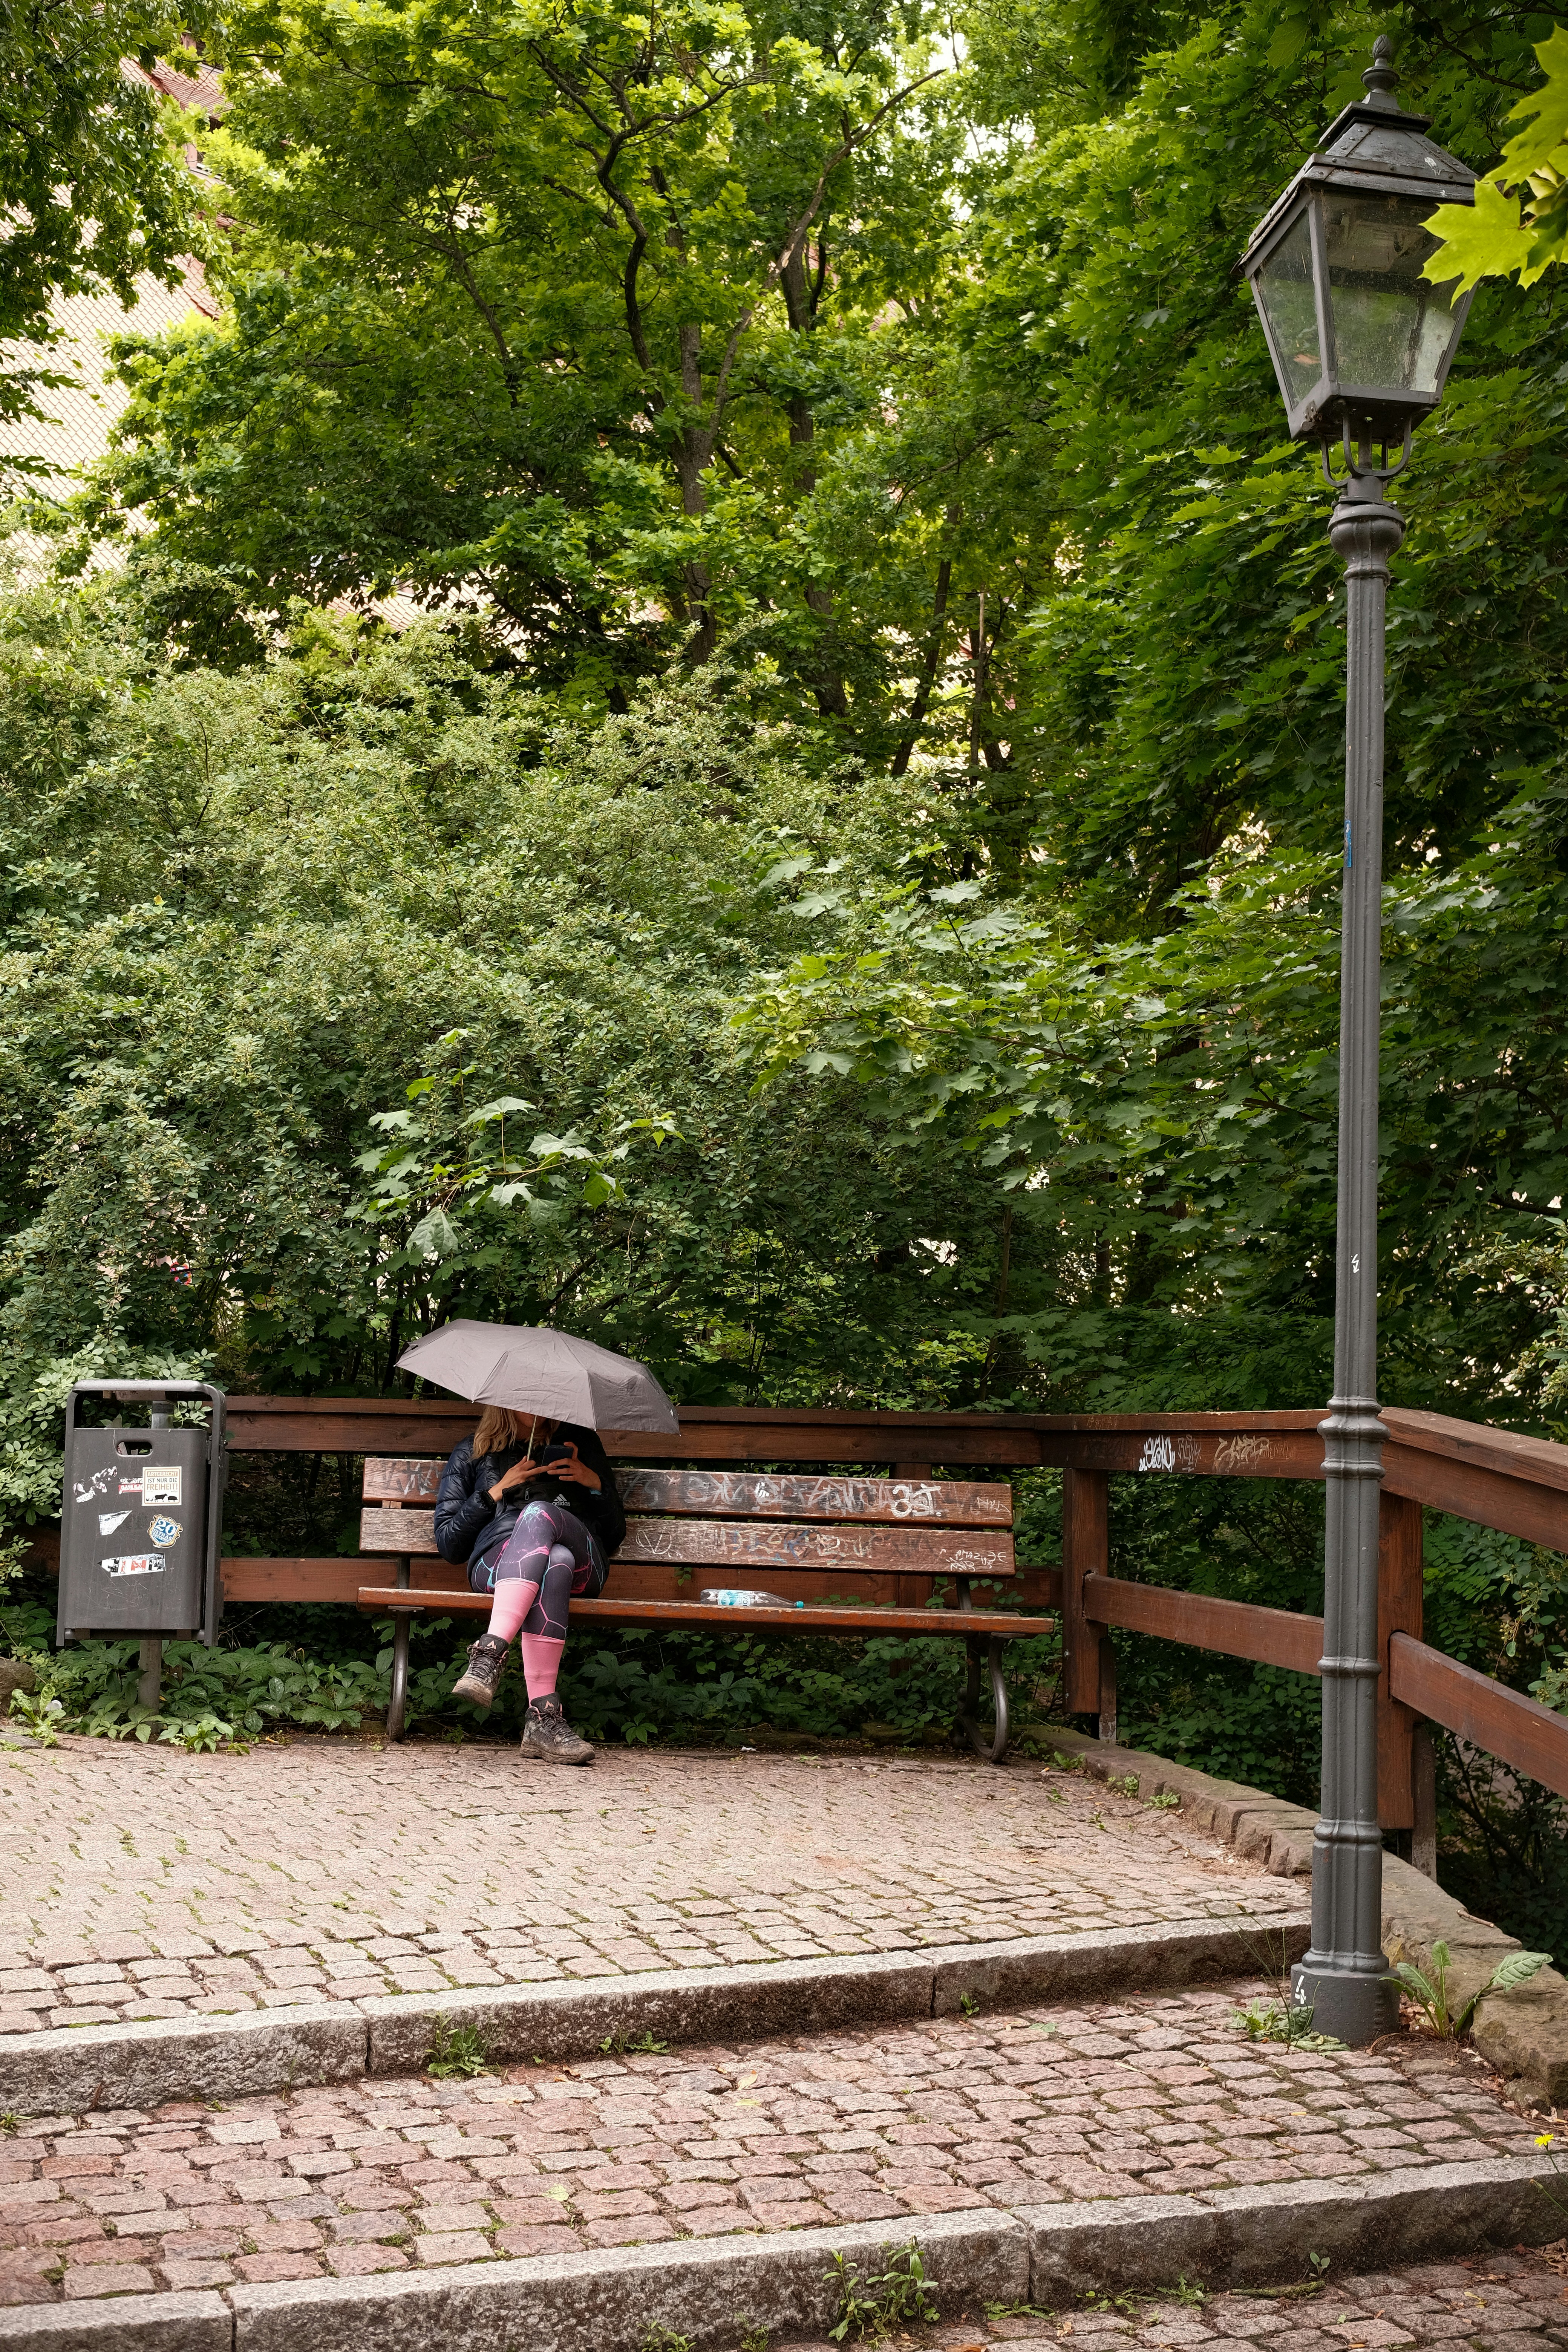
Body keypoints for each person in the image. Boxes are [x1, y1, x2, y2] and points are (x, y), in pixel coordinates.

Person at [433, 1404, 625, 1763]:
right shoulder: (473, 1451)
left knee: (541, 1518)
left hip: (585, 1560)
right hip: (498, 1562)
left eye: (552, 1398)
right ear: (505, 1400)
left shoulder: (582, 1444)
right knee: (556, 1561)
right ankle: (544, 1721)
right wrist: (497, 1491)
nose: (543, 1407)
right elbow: (449, 1544)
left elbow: (615, 1536)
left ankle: (489, 1654)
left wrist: (594, 1483)